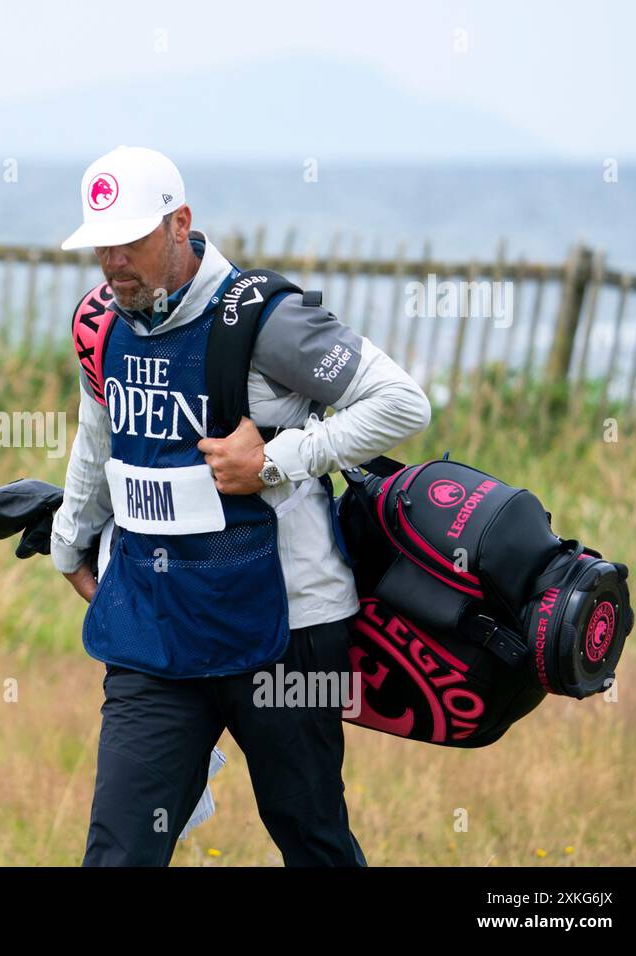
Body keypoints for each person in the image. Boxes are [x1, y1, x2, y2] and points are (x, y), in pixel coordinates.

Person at [52, 145, 432, 866]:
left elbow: (401, 403)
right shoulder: (103, 321)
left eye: (129, 243)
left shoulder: (267, 321)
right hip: (155, 625)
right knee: (119, 847)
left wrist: (277, 462)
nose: (113, 264)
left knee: (311, 838)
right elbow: (97, 433)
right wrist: (71, 536)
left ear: (179, 224)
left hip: (289, 629)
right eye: (101, 246)